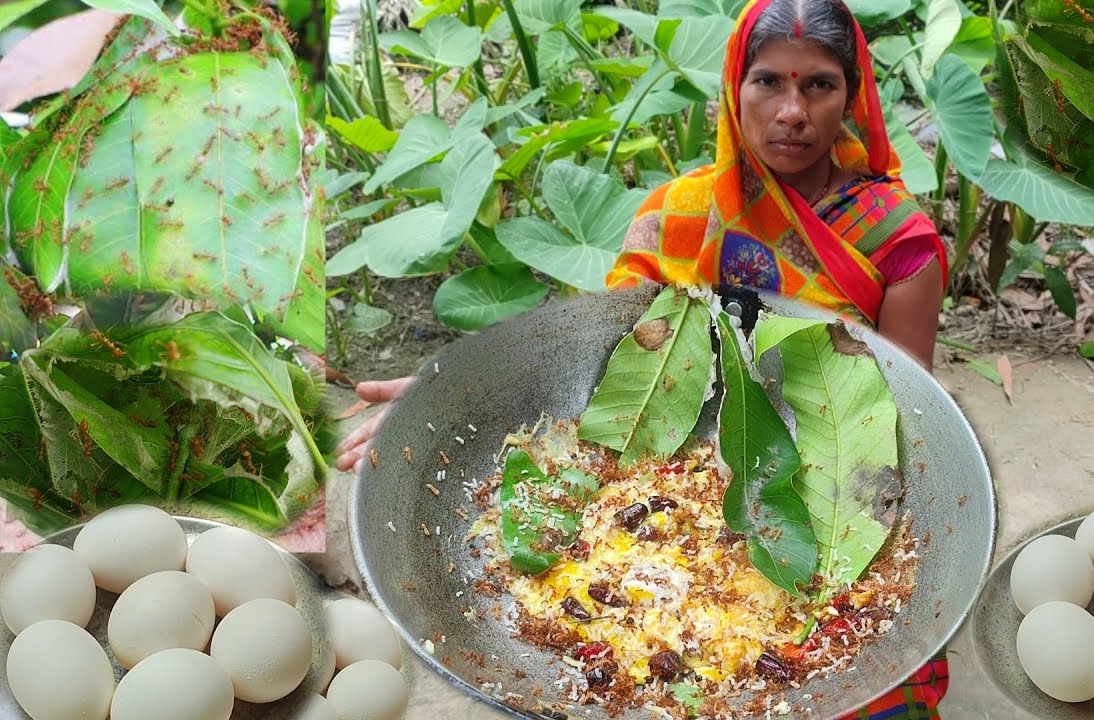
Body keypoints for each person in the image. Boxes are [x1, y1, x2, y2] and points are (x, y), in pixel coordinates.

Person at [336, 0, 949, 715]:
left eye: (818, 85)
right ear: (734, 87)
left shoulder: (895, 241)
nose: (792, 111)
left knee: (847, 672)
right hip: (675, 474)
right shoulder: (681, 214)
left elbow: (906, 421)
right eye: (768, 82)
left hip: (820, 482)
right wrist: (444, 401)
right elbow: (612, 358)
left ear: (853, 93)